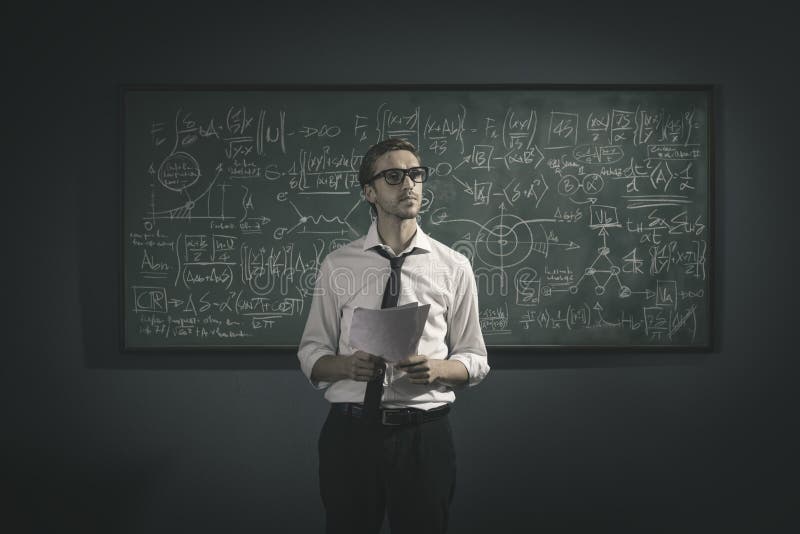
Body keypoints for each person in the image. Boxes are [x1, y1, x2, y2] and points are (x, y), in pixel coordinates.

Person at [297, 138, 489, 534]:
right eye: (394, 176)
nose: (410, 185)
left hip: (424, 435)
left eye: (416, 174)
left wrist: (437, 369)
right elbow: (312, 351)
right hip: (351, 434)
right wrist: (347, 365)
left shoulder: (453, 266)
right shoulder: (338, 265)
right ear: (370, 191)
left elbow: (475, 358)